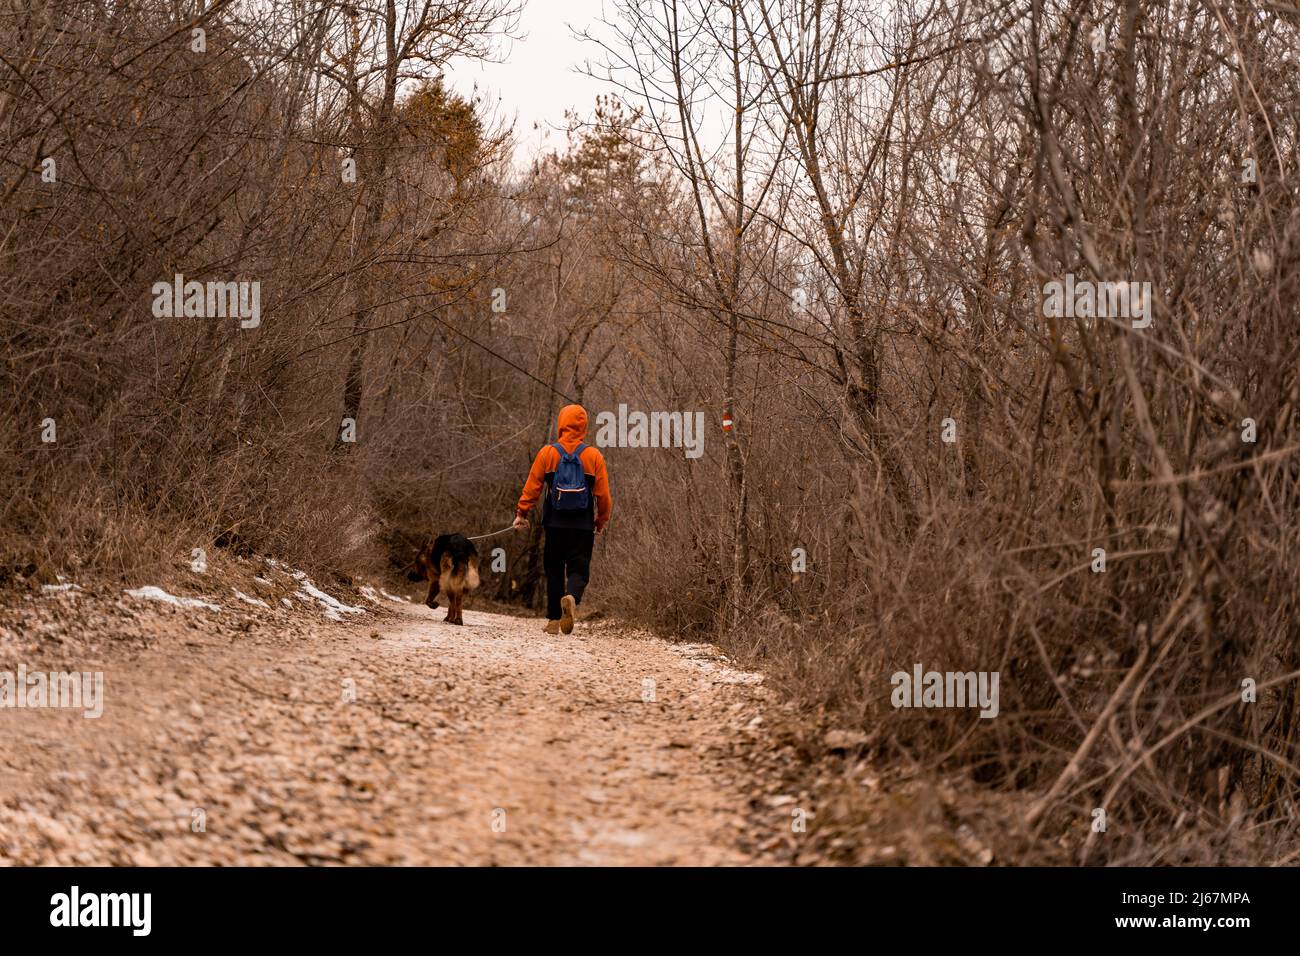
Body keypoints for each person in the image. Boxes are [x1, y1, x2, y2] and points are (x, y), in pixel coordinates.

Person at [513, 404, 612, 634]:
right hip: (583, 524)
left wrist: (522, 513)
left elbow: (533, 487)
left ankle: (553, 620)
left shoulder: (548, 453)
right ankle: (572, 597)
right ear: (584, 426)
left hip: (554, 522)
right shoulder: (593, 456)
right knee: (579, 567)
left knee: (554, 567)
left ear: (561, 423)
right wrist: (601, 520)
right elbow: (603, 495)